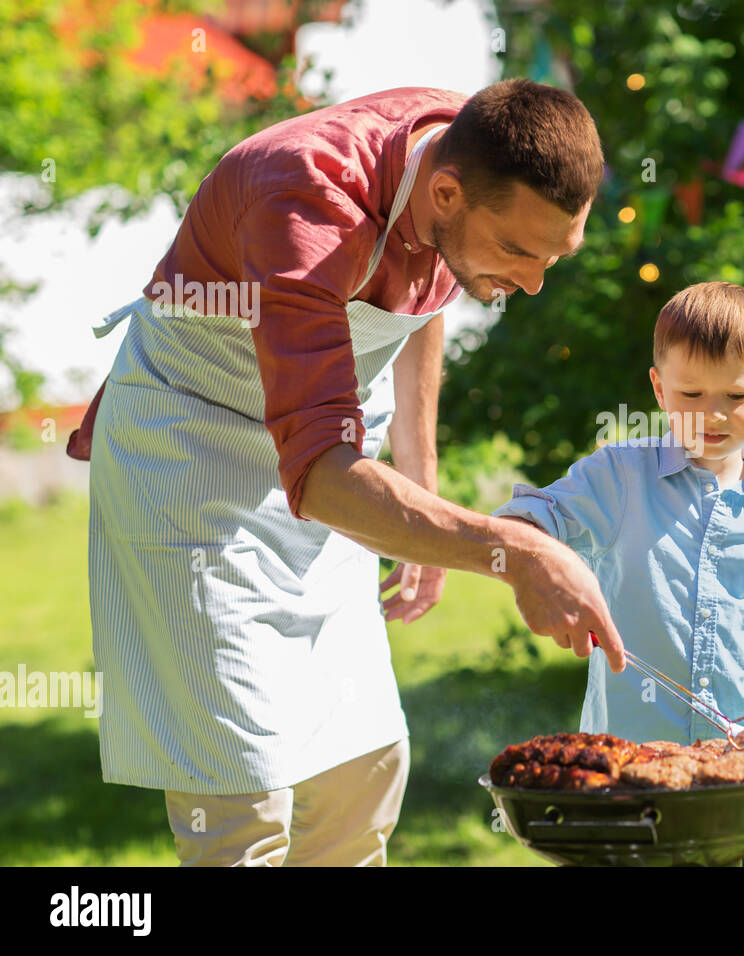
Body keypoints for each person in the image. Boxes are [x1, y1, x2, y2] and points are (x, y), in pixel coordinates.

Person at [65, 79, 627, 866]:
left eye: (555, 256)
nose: (533, 283)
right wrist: (516, 552)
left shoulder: (466, 153)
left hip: (327, 455)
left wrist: (421, 497)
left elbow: (429, 288)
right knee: (242, 804)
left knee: (364, 776)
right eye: (519, 253)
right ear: (444, 191)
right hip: (193, 462)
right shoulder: (302, 199)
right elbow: (324, 478)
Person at [491, 281, 744, 867]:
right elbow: (534, 519)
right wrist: (533, 557)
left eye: (736, 394)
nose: (713, 413)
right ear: (657, 387)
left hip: (743, 793)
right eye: (691, 392)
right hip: (624, 787)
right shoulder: (619, 478)